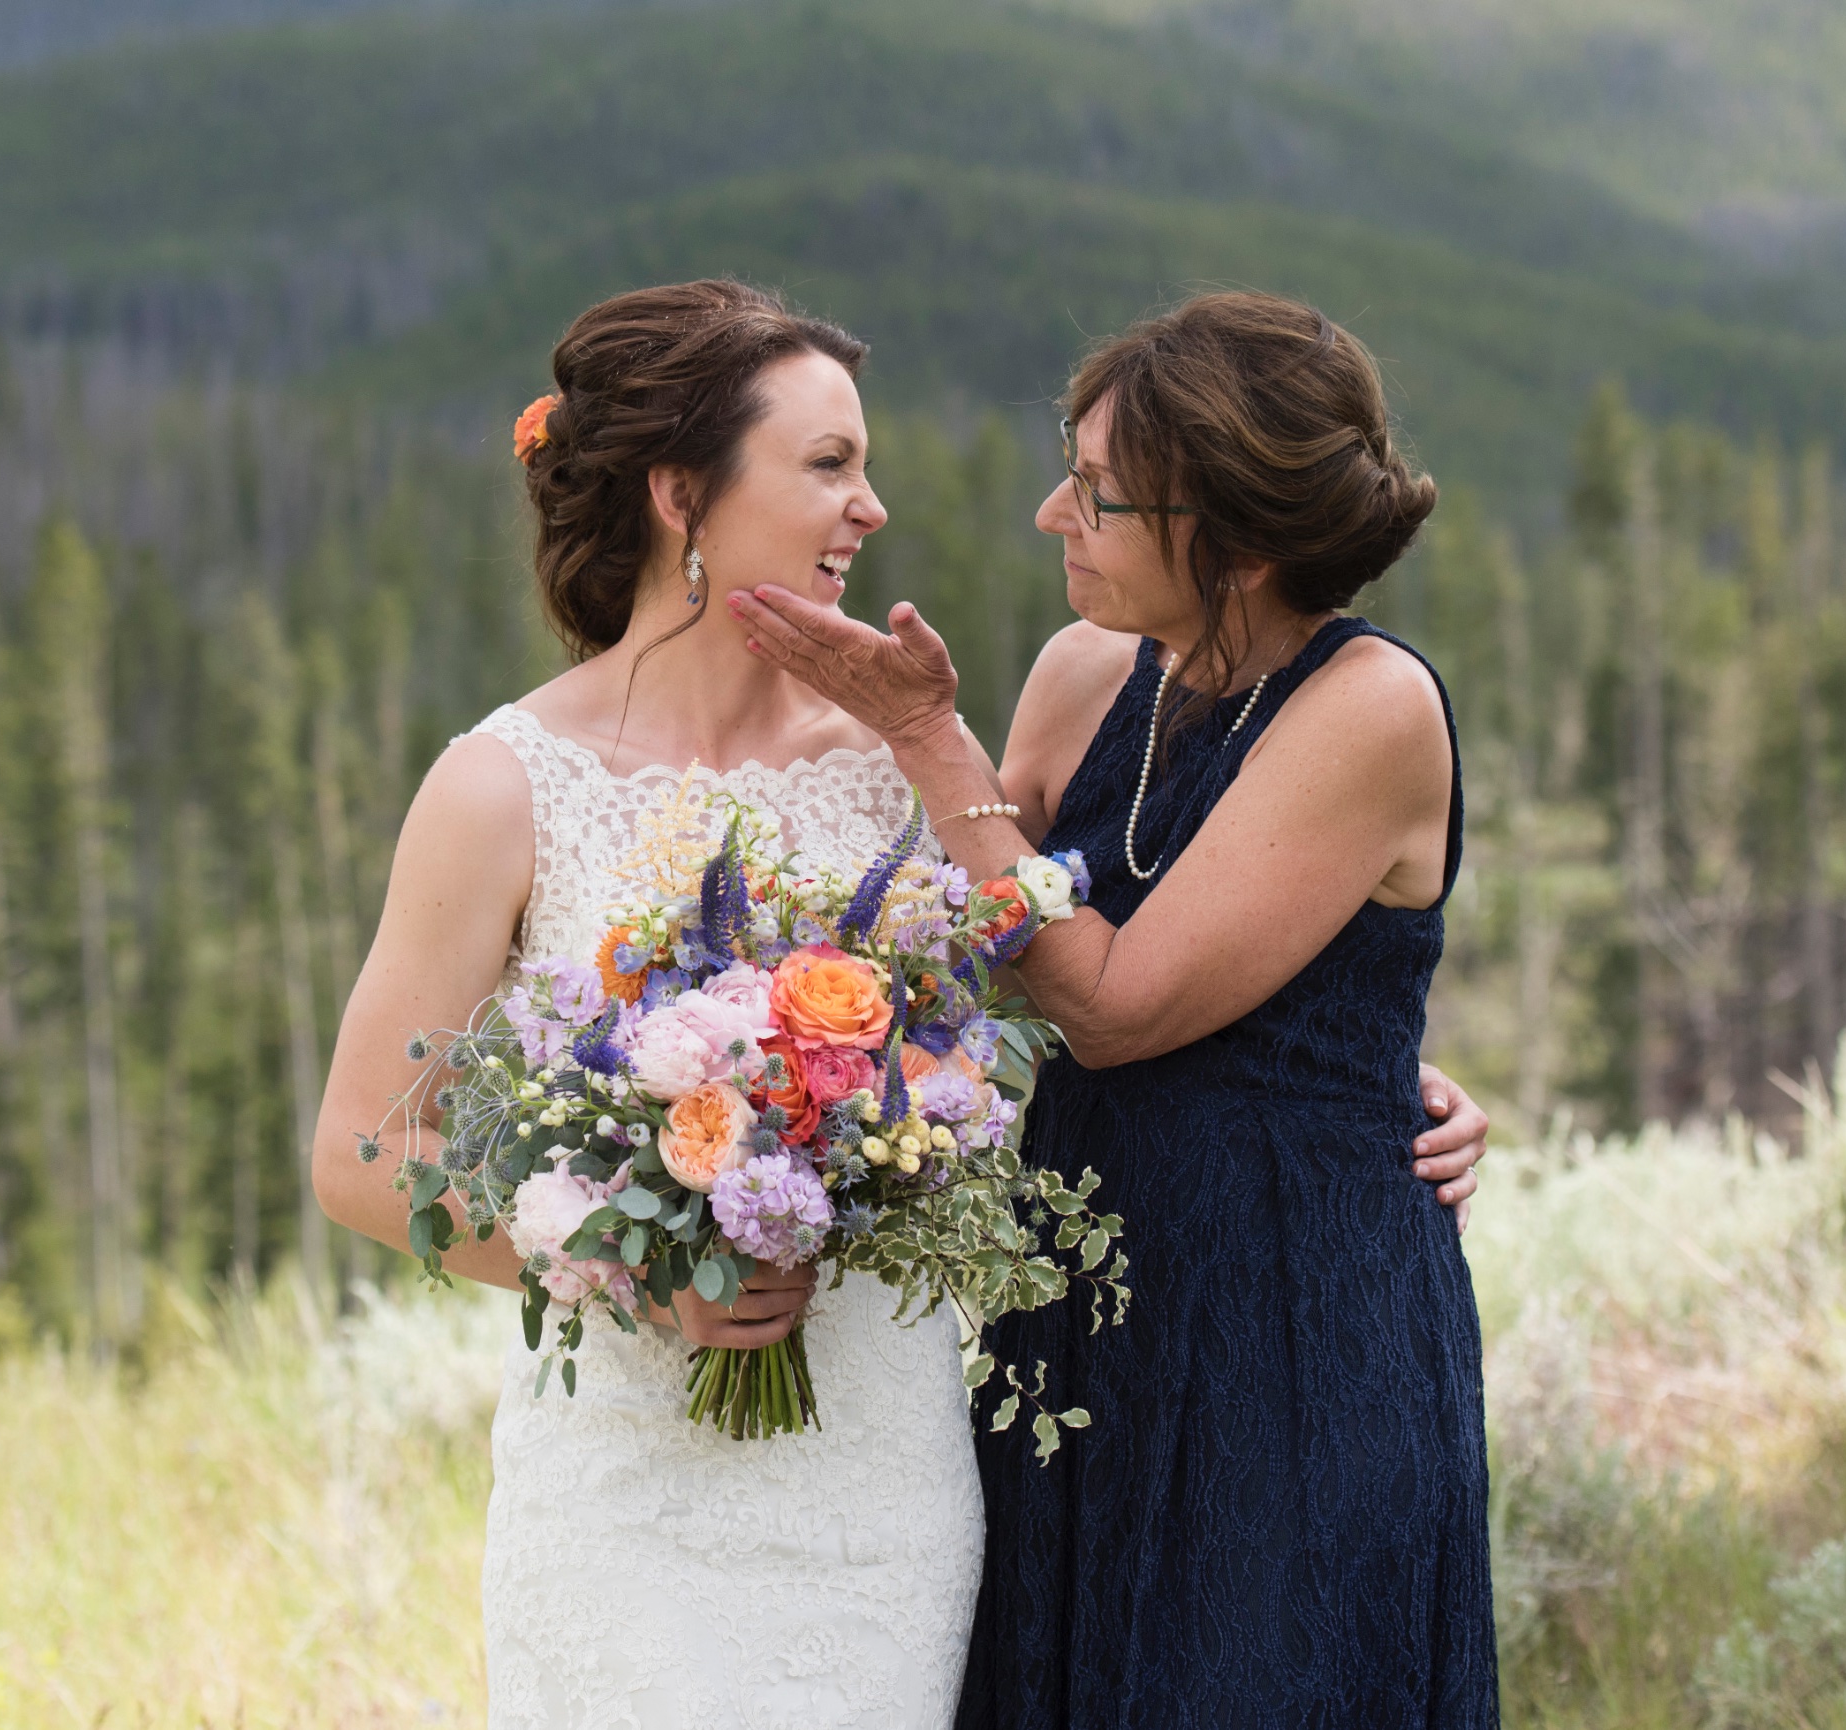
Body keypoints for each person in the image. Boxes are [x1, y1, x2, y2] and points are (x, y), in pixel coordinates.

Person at [310, 280, 1490, 1729]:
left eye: (864, 464)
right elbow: (363, 1150)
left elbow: (1079, 989)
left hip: (895, 1464)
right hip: (631, 1484)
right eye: (828, 465)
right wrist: (635, 1263)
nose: (874, 506)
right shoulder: (501, 786)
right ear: (682, 493)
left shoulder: (894, 773)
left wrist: (1386, 1085)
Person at [731, 291, 1495, 1726]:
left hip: (1292, 1317)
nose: (1049, 514)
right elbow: (973, 943)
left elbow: (1112, 1004)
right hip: (1078, 1299)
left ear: (1241, 539)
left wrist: (924, 733)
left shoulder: (1371, 704)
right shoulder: (1087, 673)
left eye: (1097, 493)